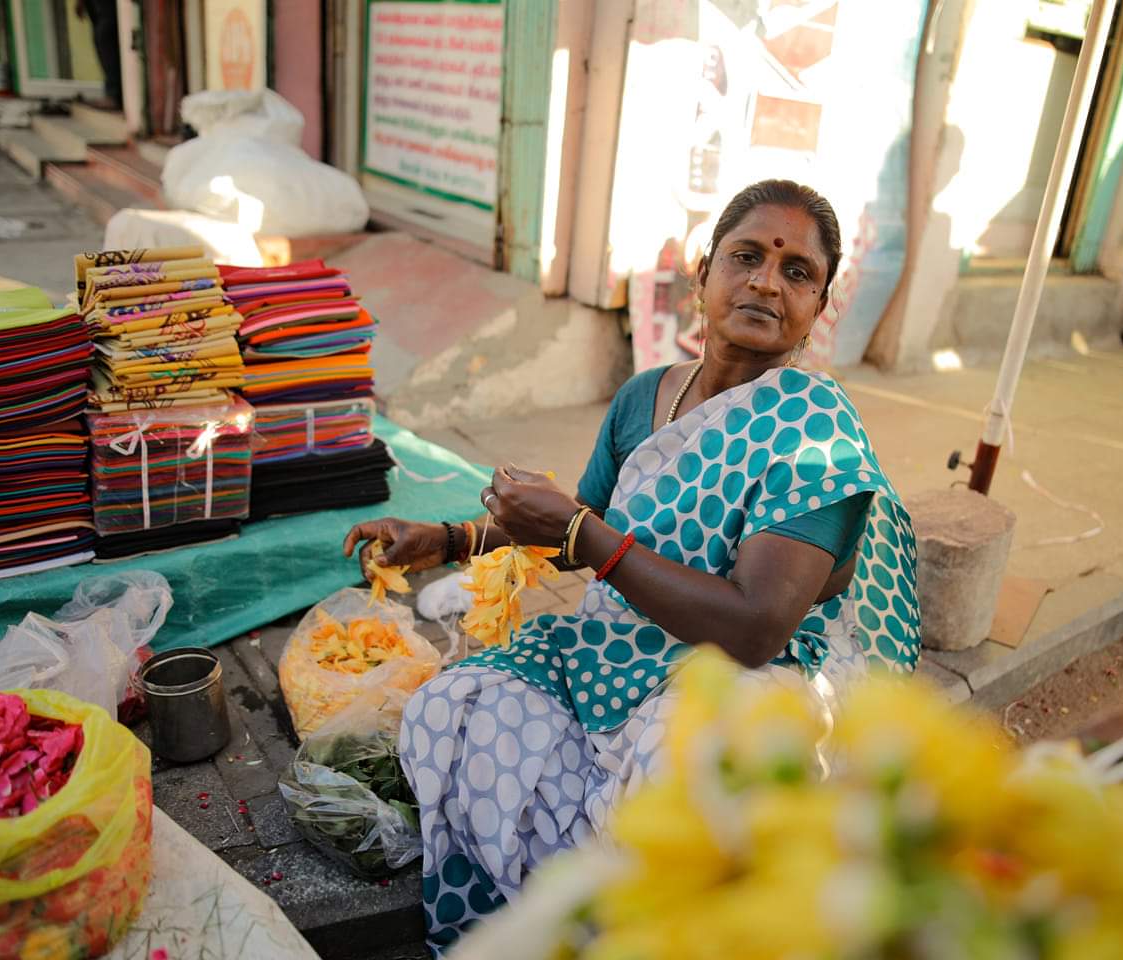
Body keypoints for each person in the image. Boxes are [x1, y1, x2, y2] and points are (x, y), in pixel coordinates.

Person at [343, 179, 920, 954]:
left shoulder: (816, 432)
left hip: (740, 677)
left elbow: (754, 627)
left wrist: (584, 536)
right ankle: (551, 920)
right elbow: (575, 525)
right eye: (746, 257)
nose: (765, 282)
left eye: (797, 272)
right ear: (703, 275)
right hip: (614, 647)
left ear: (819, 307)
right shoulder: (646, 396)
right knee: (455, 711)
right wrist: (447, 539)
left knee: (685, 773)